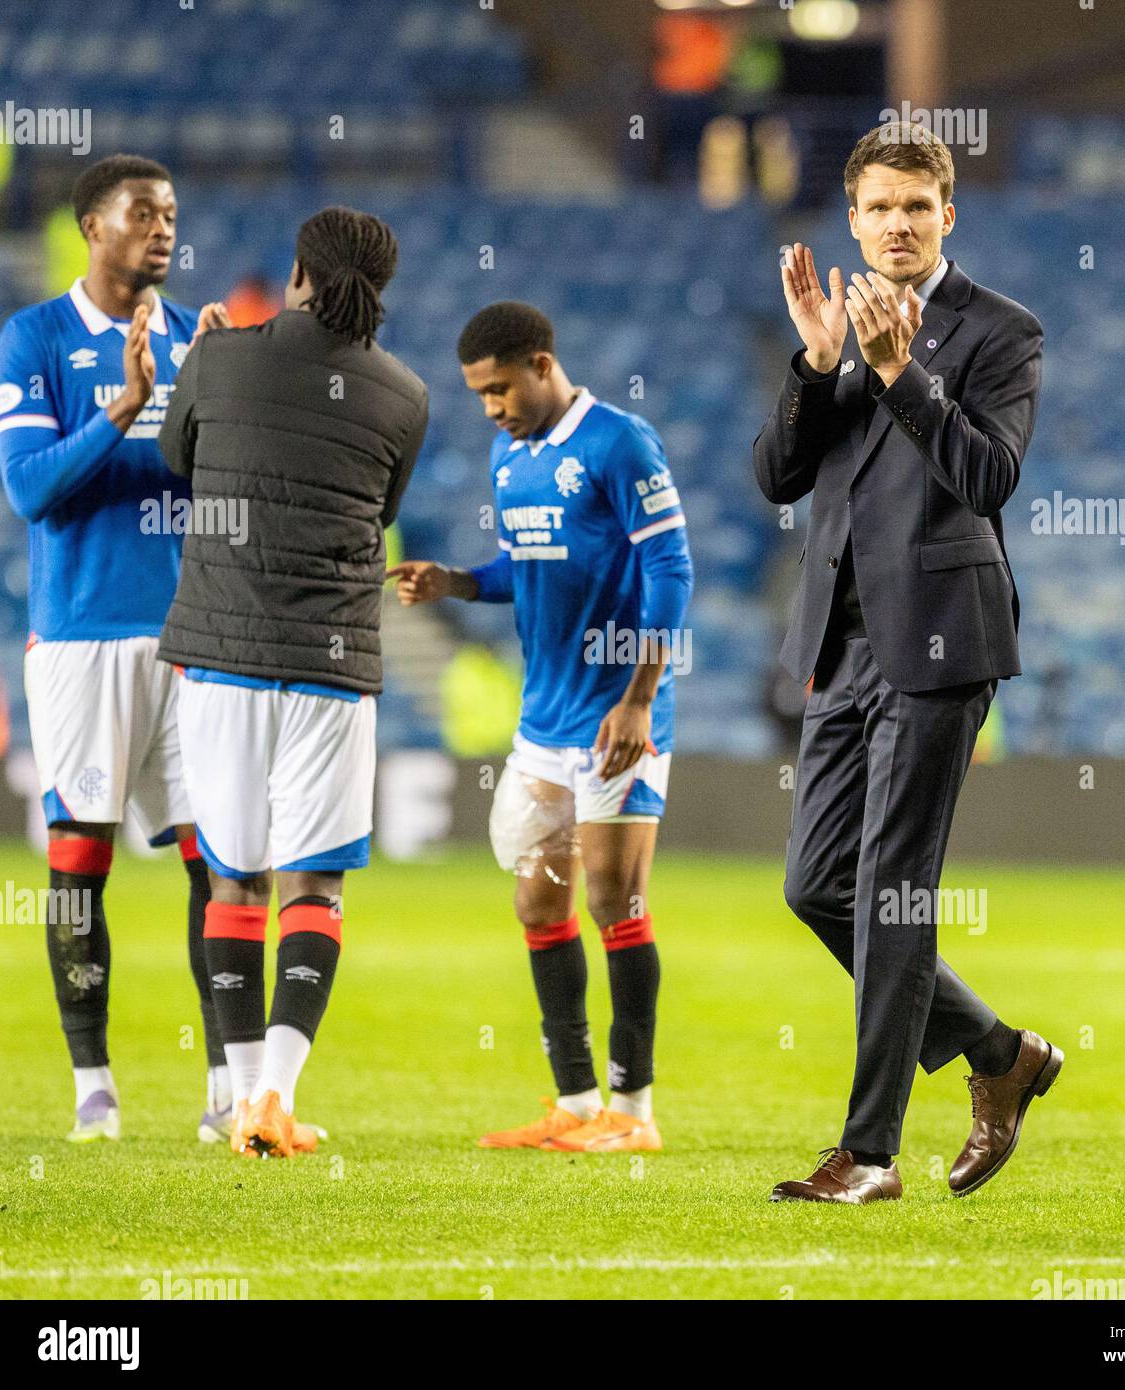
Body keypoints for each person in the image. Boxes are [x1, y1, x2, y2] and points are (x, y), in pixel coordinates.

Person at [754, 122, 1060, 1205]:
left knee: (891, 896)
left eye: (915, 207)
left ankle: (869, 1154)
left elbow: (986, 478)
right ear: (852, 218)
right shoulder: (834, 326)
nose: (895, 223)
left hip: (941, 642)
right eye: (877, 207)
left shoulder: (1001, 331)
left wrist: (899, 375)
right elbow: (777, 479)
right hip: (839, 645)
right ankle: (1000, 1052)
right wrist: (817, 365)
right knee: (814, 887)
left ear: (946, 216)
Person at [156, 206, 428, 1157]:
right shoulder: (404, 393)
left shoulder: (221, 354)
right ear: (381, 288)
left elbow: (177, 460)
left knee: (234, 875)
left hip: (221, 657)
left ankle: (235, 1103)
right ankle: (274, 1098)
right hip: (333, 660)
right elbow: (382, 506)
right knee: (316, 881)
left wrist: (203, 365)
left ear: (298, 272)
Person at [389, 301, 692, 1153]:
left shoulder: (620, 441)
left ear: (541, 362)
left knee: (614, 900)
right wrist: (455, 582)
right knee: (537, 902)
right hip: (543, 725)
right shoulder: (508, 454)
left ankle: (633, 1115)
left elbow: (672, 565)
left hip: (617, 721)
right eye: (480, 396)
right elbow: (524, 567)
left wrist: (639, 697)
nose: (492, 408)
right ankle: (574, 1101)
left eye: (500, 389)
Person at [0, 153, 232, 1143]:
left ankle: (229, 1084)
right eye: (143, 213)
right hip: (85, 639)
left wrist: (232, 396)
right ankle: (94, 1083)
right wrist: (124, 407)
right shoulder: (35, 338)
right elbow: (31, 489)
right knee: (81, 860)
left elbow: (219, 491)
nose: (163, 229)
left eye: (172, 213)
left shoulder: (192, 338)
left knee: (217, 863)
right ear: (94, 226)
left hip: (188, 639)